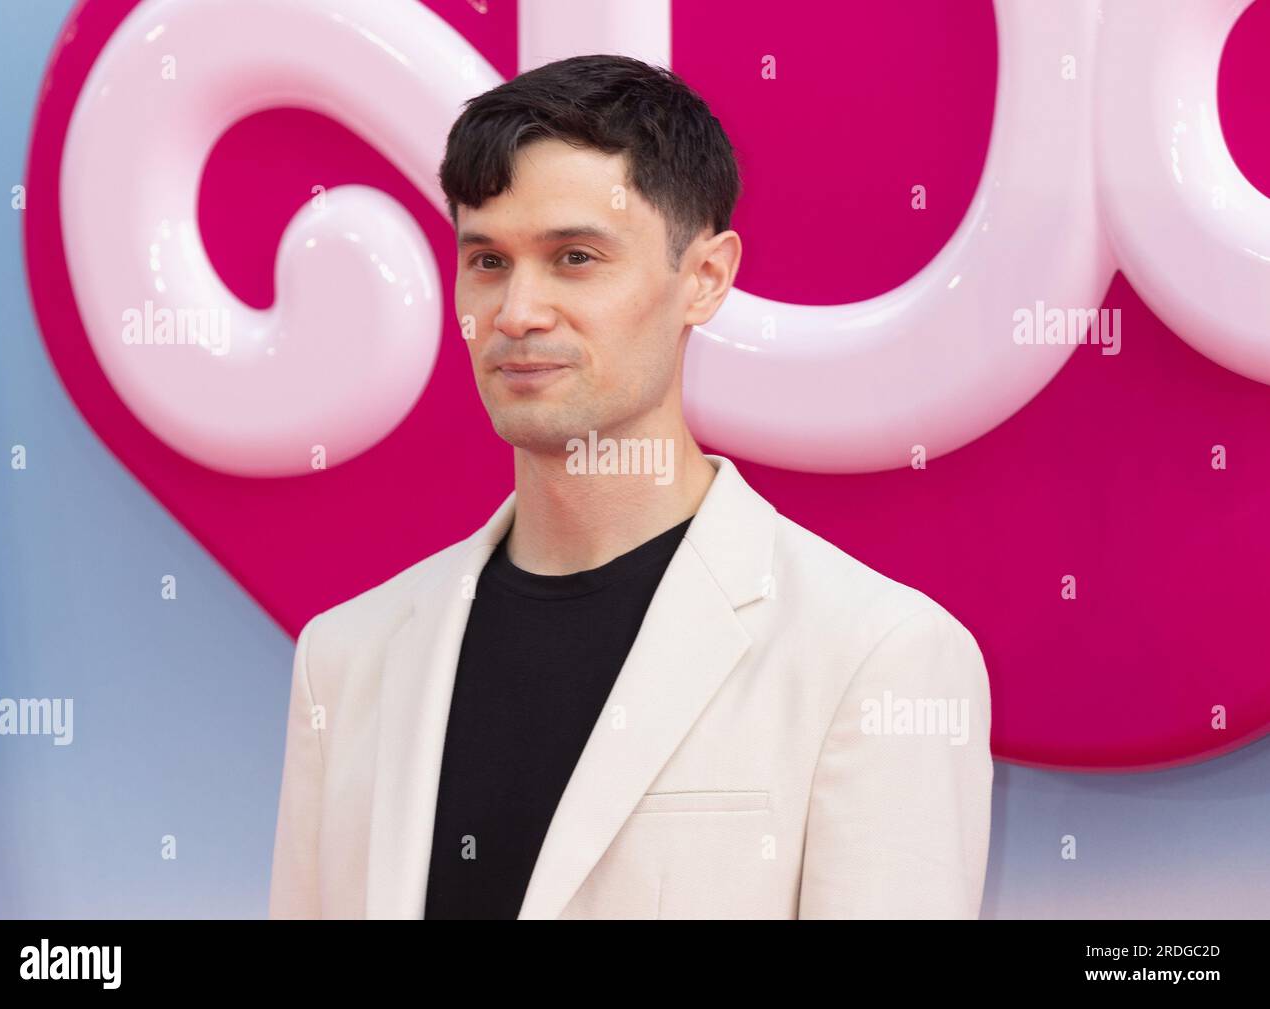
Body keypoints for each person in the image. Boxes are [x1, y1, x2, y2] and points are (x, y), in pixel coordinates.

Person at [269, 54, 992, 920]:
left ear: (706, 278)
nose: (517, 313)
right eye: (488, 261)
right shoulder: (346, 659)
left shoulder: (878, 656)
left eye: (574, 256)